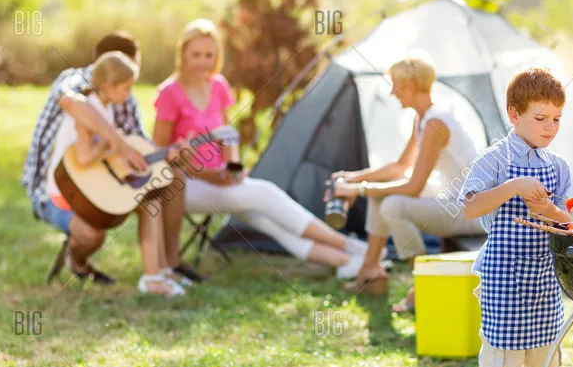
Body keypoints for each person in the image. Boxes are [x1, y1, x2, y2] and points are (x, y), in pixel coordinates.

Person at [153, 19, 368, 277]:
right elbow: (161, 153)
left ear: (217, 56)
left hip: (221, 180)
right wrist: (209, 176)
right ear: (183, 55)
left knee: (264, 216)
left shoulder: (218, 86)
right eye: (196, 55)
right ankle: (353, 246)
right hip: (183, 186)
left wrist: (232, 169)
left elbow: (227, 137)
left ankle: (346, 260)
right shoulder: (169, 93)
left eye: (209, 55)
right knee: (264, 194)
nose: (203, 61)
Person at [459, 68, 573, 367]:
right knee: (503, 357)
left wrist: (549, 212)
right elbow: (470, 207)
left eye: (556, 119)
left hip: (542, 277)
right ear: (514, 114)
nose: (550, 127)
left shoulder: (558, 167)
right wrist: (513, 187)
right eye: (540, 118)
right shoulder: (494, 158)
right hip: (503, 276)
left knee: (538, 357)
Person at [22, 30, 199, 285]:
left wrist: (168, 155)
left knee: (166, 181)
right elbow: (73, 106)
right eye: (128, 71)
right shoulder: (77, 84)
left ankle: (163, 269)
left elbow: (140, 146)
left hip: (103, 179)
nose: (131, 87)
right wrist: (115, 142)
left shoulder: (119, 97)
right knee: (92, 234)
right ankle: (80, 260)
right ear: (110, 71)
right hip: (58, 189)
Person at [330, 53, 486, 312]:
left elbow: (413, 186)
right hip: (451, 200)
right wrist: (354, 177)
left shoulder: (436, 122)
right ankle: (371, 271)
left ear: (409, 86)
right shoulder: (424, 118)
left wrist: (357, 190)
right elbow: (400, 167)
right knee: (381, 196)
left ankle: (422, 286)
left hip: (470, 210)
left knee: (393, 205)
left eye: (394, 85)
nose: (392, 93)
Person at [45, 52, 184, 296]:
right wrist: (110, 143)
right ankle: (153, 276)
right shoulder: (89, 111)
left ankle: (156, 275)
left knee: (151, 199)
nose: (129, 95)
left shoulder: (106, 110)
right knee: (133, 210)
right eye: (127, 88)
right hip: (69, 193)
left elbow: (108, 158)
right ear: (109, 87)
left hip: (93, 185)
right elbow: (85, 157)